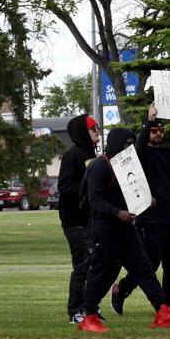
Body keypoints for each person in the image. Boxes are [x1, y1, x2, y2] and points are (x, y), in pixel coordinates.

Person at [77, 128, 170, 333]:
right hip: (104, 229)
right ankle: (90, 316)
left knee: (144, 268)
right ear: (115, 145)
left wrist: (145, 200)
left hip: (125, 228)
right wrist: (117, 212)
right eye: (126, 144)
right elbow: (95, 199)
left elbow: (130, 191)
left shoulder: (126, 165)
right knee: (100, 273)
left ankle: (162, 311)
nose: (130, 148)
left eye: (132, 144)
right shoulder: (101, 166)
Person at [110, 106, 170, 315]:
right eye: (155, 130)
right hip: (149, 219)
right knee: (150, 263)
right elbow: (138, 149)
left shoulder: (168, 153)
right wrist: (149, 122)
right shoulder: (140, 155)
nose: (158, 133)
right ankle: (122, 289)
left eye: (161, 130)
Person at [57, 115, 101, 325]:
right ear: (83, 132)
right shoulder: (72, 156)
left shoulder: (93, 155)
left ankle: (90, 306)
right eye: (93, 129)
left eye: (98, 129)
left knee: (95, 264)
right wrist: (88, 189)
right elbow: (65, 187)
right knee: (82, 264)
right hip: (74, 220)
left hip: (91, 220)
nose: (97, 132)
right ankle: (76, 310)